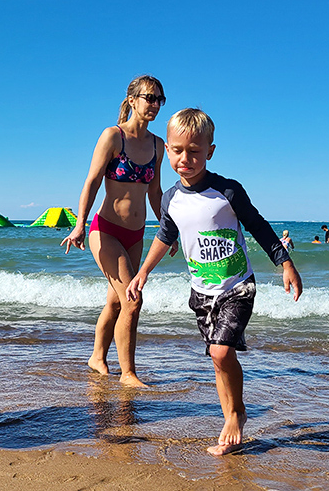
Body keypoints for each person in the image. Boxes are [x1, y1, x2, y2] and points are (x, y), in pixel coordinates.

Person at [126, 108, 303, 455]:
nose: (185, 159)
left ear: (210, 150)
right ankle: (231, 418)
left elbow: (258, 226)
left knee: (222, 351)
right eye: (177, 150)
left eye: (194, 151)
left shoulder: (228, 191)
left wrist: (285, 263)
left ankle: (236, 415)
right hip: (201, 292)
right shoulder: (170, 198)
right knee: (218, 360)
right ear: (168, 150)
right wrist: (143, 271)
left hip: (238, 286)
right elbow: (165, 234)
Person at [61, 75, 174, 388]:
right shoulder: (113, 137)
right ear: (133, 99)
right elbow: (92, 181)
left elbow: (155, 191)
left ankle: (97, 357)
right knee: (132, 300)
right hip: (106, 230)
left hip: (135, 235)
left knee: (115, 302)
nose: (154, 105)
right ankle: (128, 374)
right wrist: (79, 223)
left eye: (159, 99)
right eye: (149, 97)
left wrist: (168, 228)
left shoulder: (156, 145)